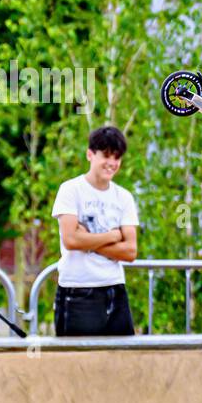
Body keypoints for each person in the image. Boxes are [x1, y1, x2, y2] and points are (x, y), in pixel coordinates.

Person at [51, 126, 139, 336]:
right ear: (90, 154)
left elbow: (130, 252)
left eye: (117, 158)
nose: (112, 163)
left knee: (123, 362)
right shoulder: (70, 190)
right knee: (78, 362)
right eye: (106, 155)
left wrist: (88, 240)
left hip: (115, 288)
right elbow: (71, 240)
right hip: (77, 290)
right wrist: (112, 236)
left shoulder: (124, 197)